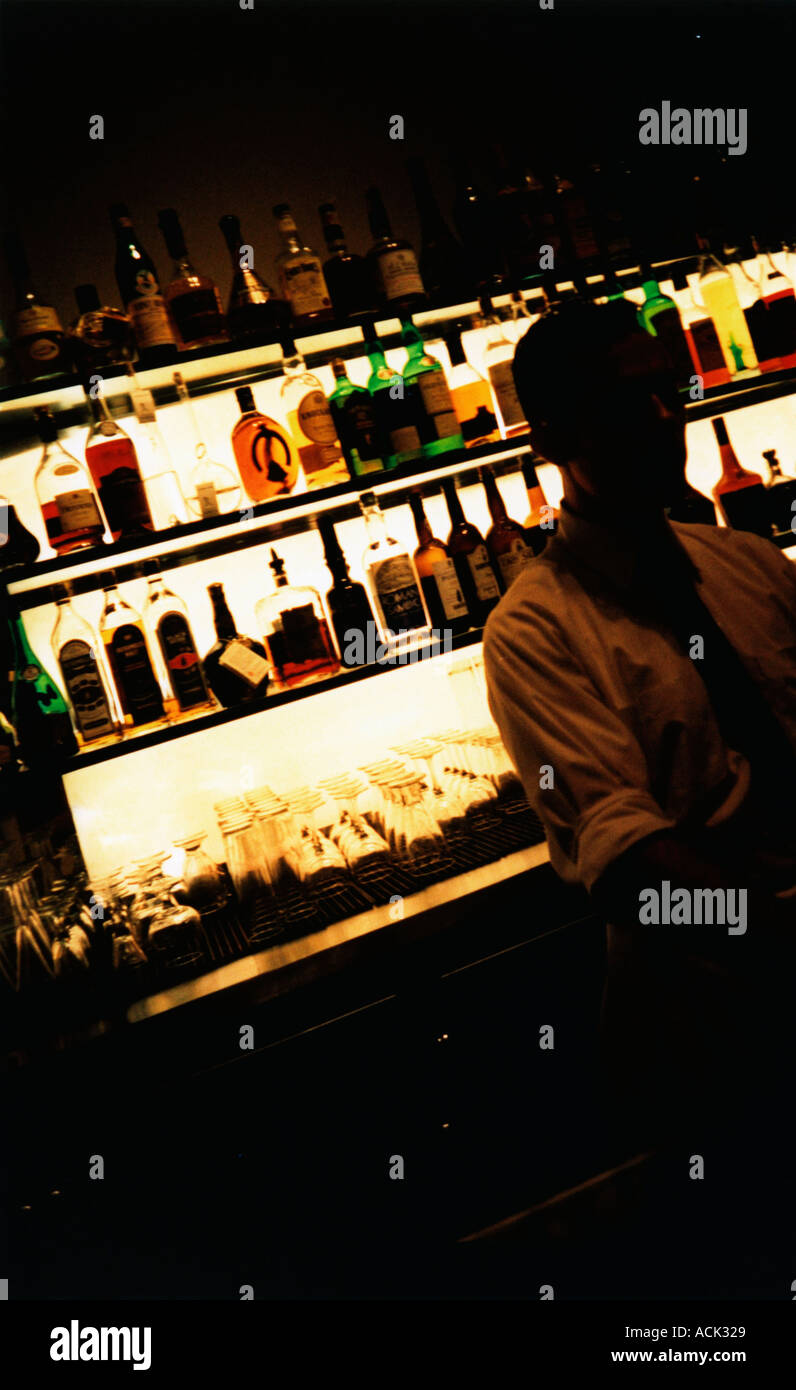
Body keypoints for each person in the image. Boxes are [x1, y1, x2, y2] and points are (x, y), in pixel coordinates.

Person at [482, 297, 796, 1144]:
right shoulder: (532, 632)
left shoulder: (750, 565)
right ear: (549, 438)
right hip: (719, 1024)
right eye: (627, 403)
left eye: (671, 393)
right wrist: (778, 933)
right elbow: (631, 871)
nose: (665, 421)